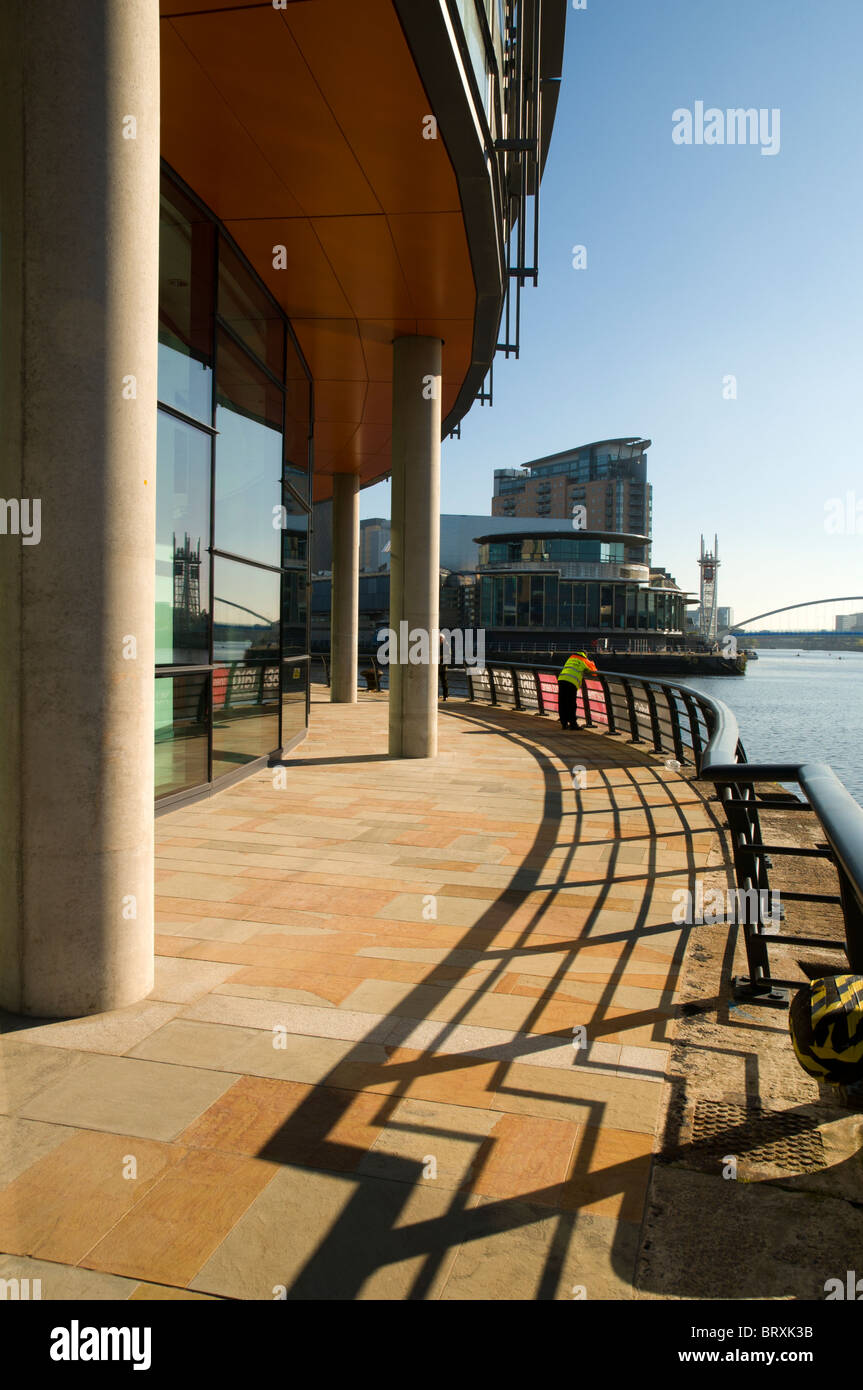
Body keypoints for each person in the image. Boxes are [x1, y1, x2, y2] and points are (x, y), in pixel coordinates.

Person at [557, 651, 598, 730]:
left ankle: (564, 723)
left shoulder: (571, 658)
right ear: (585, 655)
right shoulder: (584, 660)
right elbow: (594, 673)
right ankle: (573, 724)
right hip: (571, 682)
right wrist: (591, 663)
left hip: (562, 679)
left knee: (562, 702)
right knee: (571, 703)